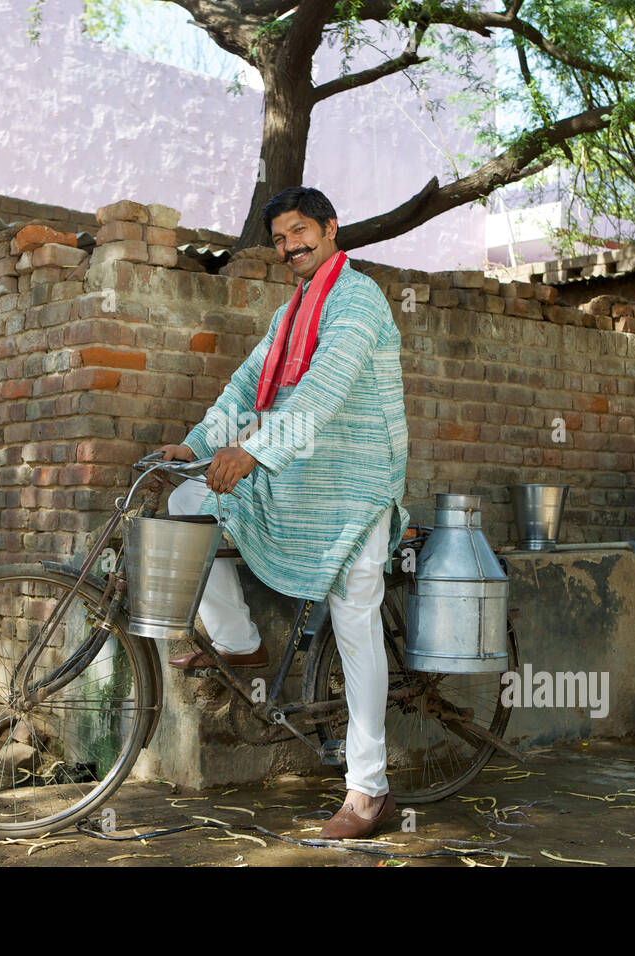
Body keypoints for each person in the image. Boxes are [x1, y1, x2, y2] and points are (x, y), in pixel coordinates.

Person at [152, 186, 409, 840]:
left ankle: (367, 792)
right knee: (186, 500)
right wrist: (201, 441)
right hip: (295, 473)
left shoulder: (358, 300)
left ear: (330, 228)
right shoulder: (291, 312)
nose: (291, 247)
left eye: (301, 232)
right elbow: (247, 382)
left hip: (354, 485)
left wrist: (254, 450)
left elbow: (322, 393)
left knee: (354, 618)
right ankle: (239, 641)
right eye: (281, 239)